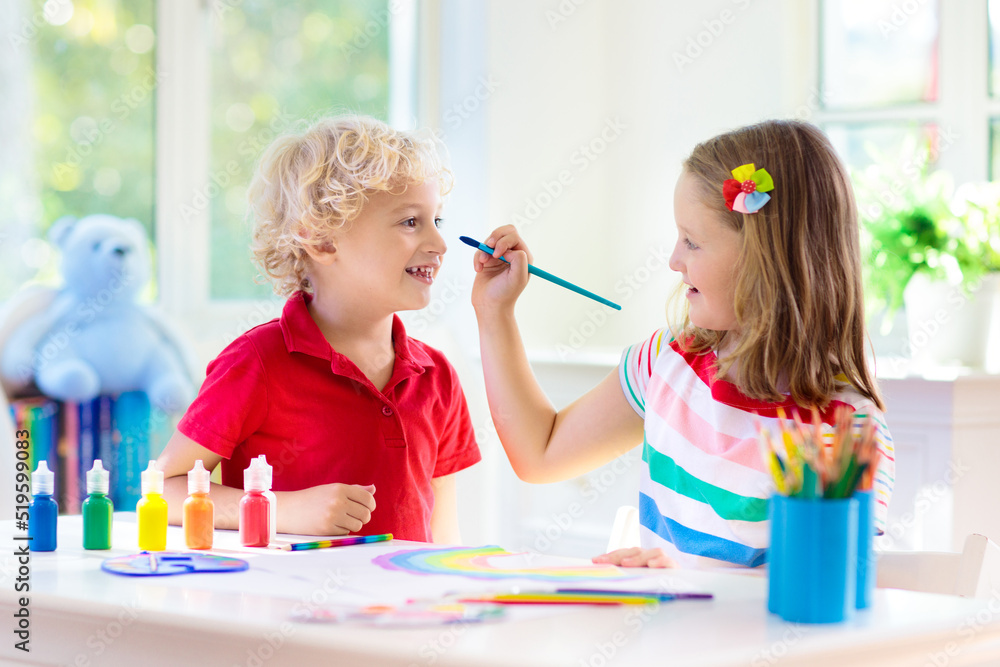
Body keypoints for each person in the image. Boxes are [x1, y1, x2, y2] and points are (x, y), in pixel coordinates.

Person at [471, 120, 894, 568]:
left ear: (763, 257)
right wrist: (495, 314)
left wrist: (688, 582)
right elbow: (541, 454)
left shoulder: (844, 433)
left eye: (692, 242)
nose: (674, 261)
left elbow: (824, 598)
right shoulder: (669, 361)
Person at [157, 116, 480, 543]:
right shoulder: (257, 362)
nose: (439, 245)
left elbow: (442, 532)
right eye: (409, 222)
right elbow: (164, 489)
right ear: (324, 242)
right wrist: (281, 509)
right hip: (284, 608)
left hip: (406, 608)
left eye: (436, 220)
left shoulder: (437, 376)